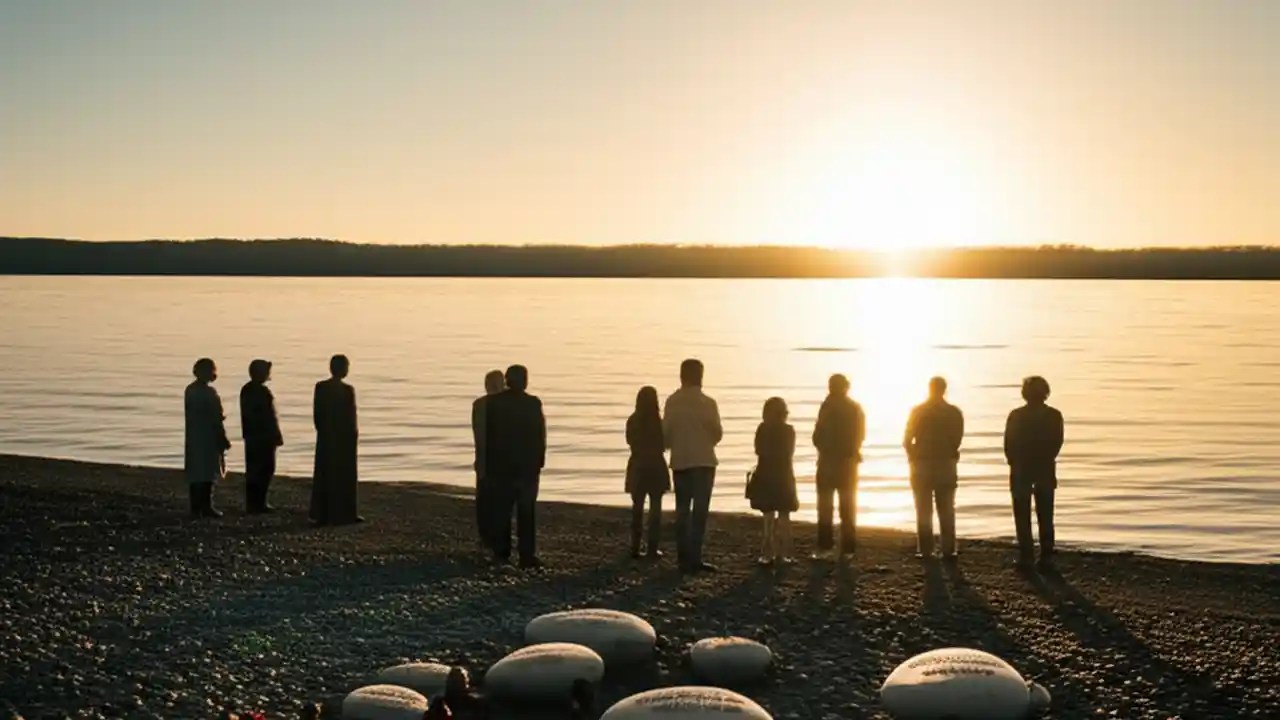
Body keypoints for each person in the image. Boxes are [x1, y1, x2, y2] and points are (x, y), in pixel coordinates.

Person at [663, 358, 723, 573]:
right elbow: (717, 434)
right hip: (704, 461)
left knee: (682, 511)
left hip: (681, 461)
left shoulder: (672, 401)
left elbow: (666, 435)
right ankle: (695, 557)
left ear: (681, 376)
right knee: (699, 513)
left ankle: (682, 558)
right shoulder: (708, 403)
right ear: (701, 377)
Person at [485, 364, 547, 568]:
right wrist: (539, 460)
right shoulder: (532, 403)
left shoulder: (494, 403)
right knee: (526, 512)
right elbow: (540, 434)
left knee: (502, 510)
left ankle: (502, 552)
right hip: (527, 466)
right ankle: (526, 554)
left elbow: (489, 436)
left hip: (502, 465)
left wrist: (489, 463)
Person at [1004, 376, 1064, 572]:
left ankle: (1026, 555)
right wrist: (1046, 458)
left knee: (1022, 514)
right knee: (1046, 514)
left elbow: (1008, 444)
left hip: (1021, 468)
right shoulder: (1054, 415)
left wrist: (1013, 461)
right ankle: (1046, 556)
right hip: (1044, 468)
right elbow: (1057, 442)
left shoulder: (1016, 415)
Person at [903, 376, 964, 560]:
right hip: (945, 463)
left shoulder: (918, 411)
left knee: (923, 508)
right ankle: (948, 548)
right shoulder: (954, 412)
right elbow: (957, 439)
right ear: (944, 390)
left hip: (922, 463)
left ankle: (926, 549)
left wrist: (913, 456)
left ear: (929, 389)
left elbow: (907, 438)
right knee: (946, 507)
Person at [812, 373, 866, 560]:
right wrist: (853, 449)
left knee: (825, 506)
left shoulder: (827, 406)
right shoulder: (855, 408)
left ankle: (825, 546)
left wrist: (822, 446)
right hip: (848, 463)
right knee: (848, 506)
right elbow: (861, 434)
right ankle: (848, 548)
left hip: (828, 461)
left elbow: (817, 435)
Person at [311, 354, 361, 525]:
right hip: (343, 438)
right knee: (345, 475)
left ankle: (322, 513)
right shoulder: (348, 390)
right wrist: (353, 435)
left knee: (324, 475)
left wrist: (322, 431)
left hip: (326, 437)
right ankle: (346, 512)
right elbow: (350, 416)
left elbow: (317, 414)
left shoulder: (320, 387)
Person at [748, 397, 799, 565]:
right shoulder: (789, 431)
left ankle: (767, 552)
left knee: (768, 516)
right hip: (784, 474)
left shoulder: (762, 429)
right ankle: (785, 553)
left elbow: (758, 450)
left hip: (765, 473)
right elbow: (789, 452)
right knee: (784, 516)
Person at [625, 386, 670, 559]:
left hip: (637, 464)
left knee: (637, 508)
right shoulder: (658, 421)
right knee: (655, 509)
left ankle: (635, 547)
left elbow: (629, 440)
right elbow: (664, 443)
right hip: (656, 465)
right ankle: (652, 548)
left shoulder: (633, 420)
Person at [185, 358, 231, 518]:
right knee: (208, 471)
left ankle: (195, 506)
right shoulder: (209, 393)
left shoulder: (189, 390)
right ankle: (206, 506)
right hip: (208, 436)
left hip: (193, 435)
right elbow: (216, 418)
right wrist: (223, 437)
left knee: (196, 471)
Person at [240, 358, 283, 514]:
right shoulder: (263, 392)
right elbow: (270, 416)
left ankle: (253, 502)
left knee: (253, 469)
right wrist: (276, 434)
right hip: (264, 437)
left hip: (251, 435)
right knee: (265, 469)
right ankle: (259, 502)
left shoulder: (246, 390)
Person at [472, 369, 506, 552]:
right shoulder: (507, 406)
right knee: (494, 501)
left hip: (487, 458)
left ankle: (487, 537)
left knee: (485, 501)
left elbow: (478, 435)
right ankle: (492, 537)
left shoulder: (479, 405)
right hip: (497, 459)